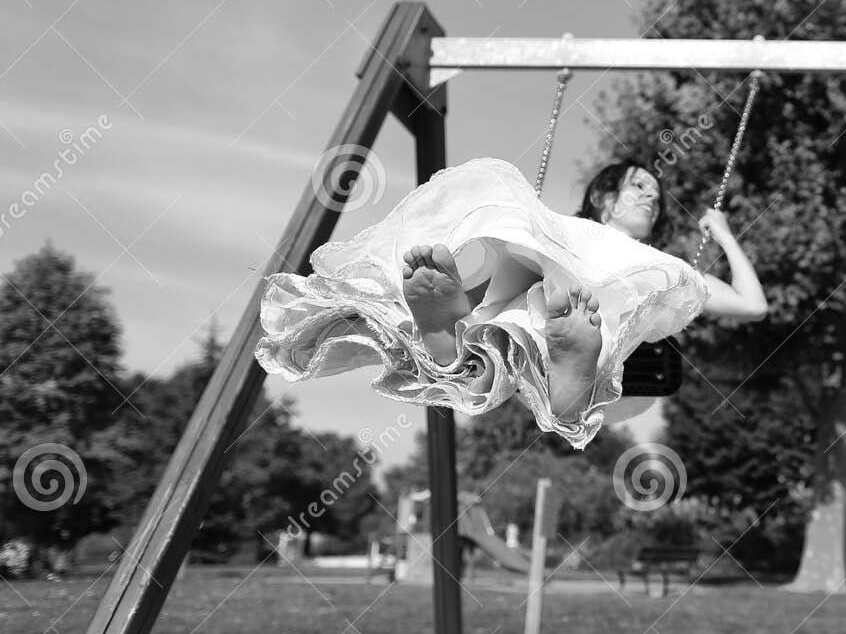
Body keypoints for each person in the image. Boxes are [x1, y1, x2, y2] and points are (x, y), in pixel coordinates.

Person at [256, 157, 767, 449]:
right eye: (639, 185)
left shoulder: (661, 267)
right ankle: (460, 346)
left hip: (630, 381)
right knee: (530, 265)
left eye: (655, 193)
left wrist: (721, 233)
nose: (651, 197)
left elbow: (753, 305)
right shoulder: (561, 235)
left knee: (586, 293)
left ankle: (559, 373)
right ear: (603, 198)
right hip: (544, 331)